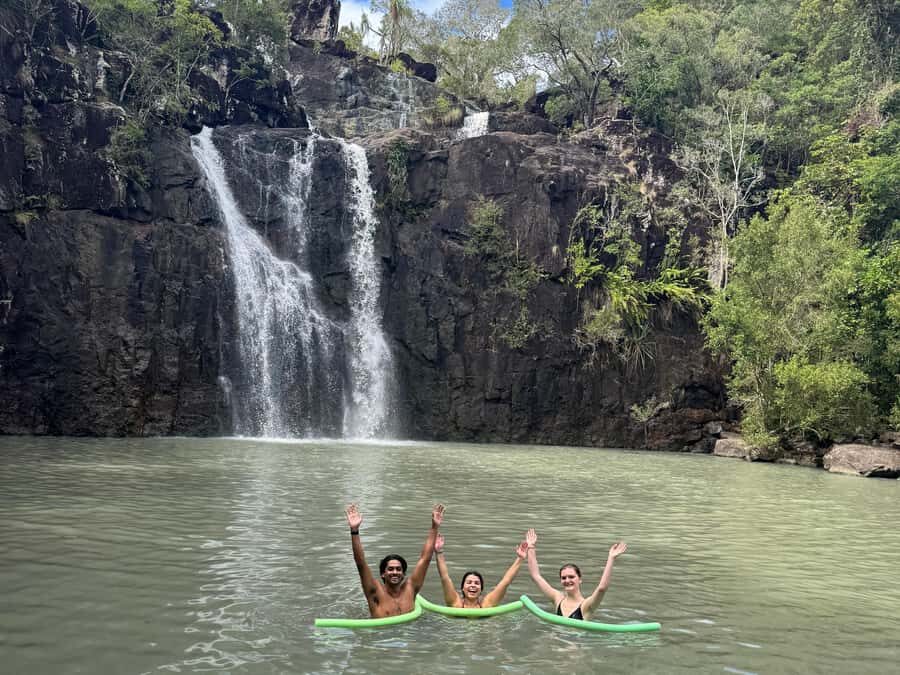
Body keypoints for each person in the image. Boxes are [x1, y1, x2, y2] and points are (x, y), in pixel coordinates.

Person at [344, 502, 444, 618]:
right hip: (381, 634)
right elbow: (361, 563)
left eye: (398, 569)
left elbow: (425, 559)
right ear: (383, 574)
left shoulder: (410, 589)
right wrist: (354, 530)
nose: (395, 572)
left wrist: (434, 527)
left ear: (403, 574)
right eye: (390, 569)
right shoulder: (375, 591)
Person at [524, 528, 627, 621]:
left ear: (580, 579)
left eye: (571, 577)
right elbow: (536, 576)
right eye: (563, 578)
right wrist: (531, 546)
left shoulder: (586, 606)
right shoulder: (557, 599)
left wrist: (611, 558)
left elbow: (602, 588)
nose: (567, 580)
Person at [433, 533, 529, 609]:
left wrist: (520, 559)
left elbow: (505, 582)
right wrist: (439, 552)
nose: (473, 585)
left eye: (477, 583)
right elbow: (445, 578)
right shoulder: (455, 603)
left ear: (481, 589)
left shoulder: (487, 604)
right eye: (469, 582)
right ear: (462, 588)